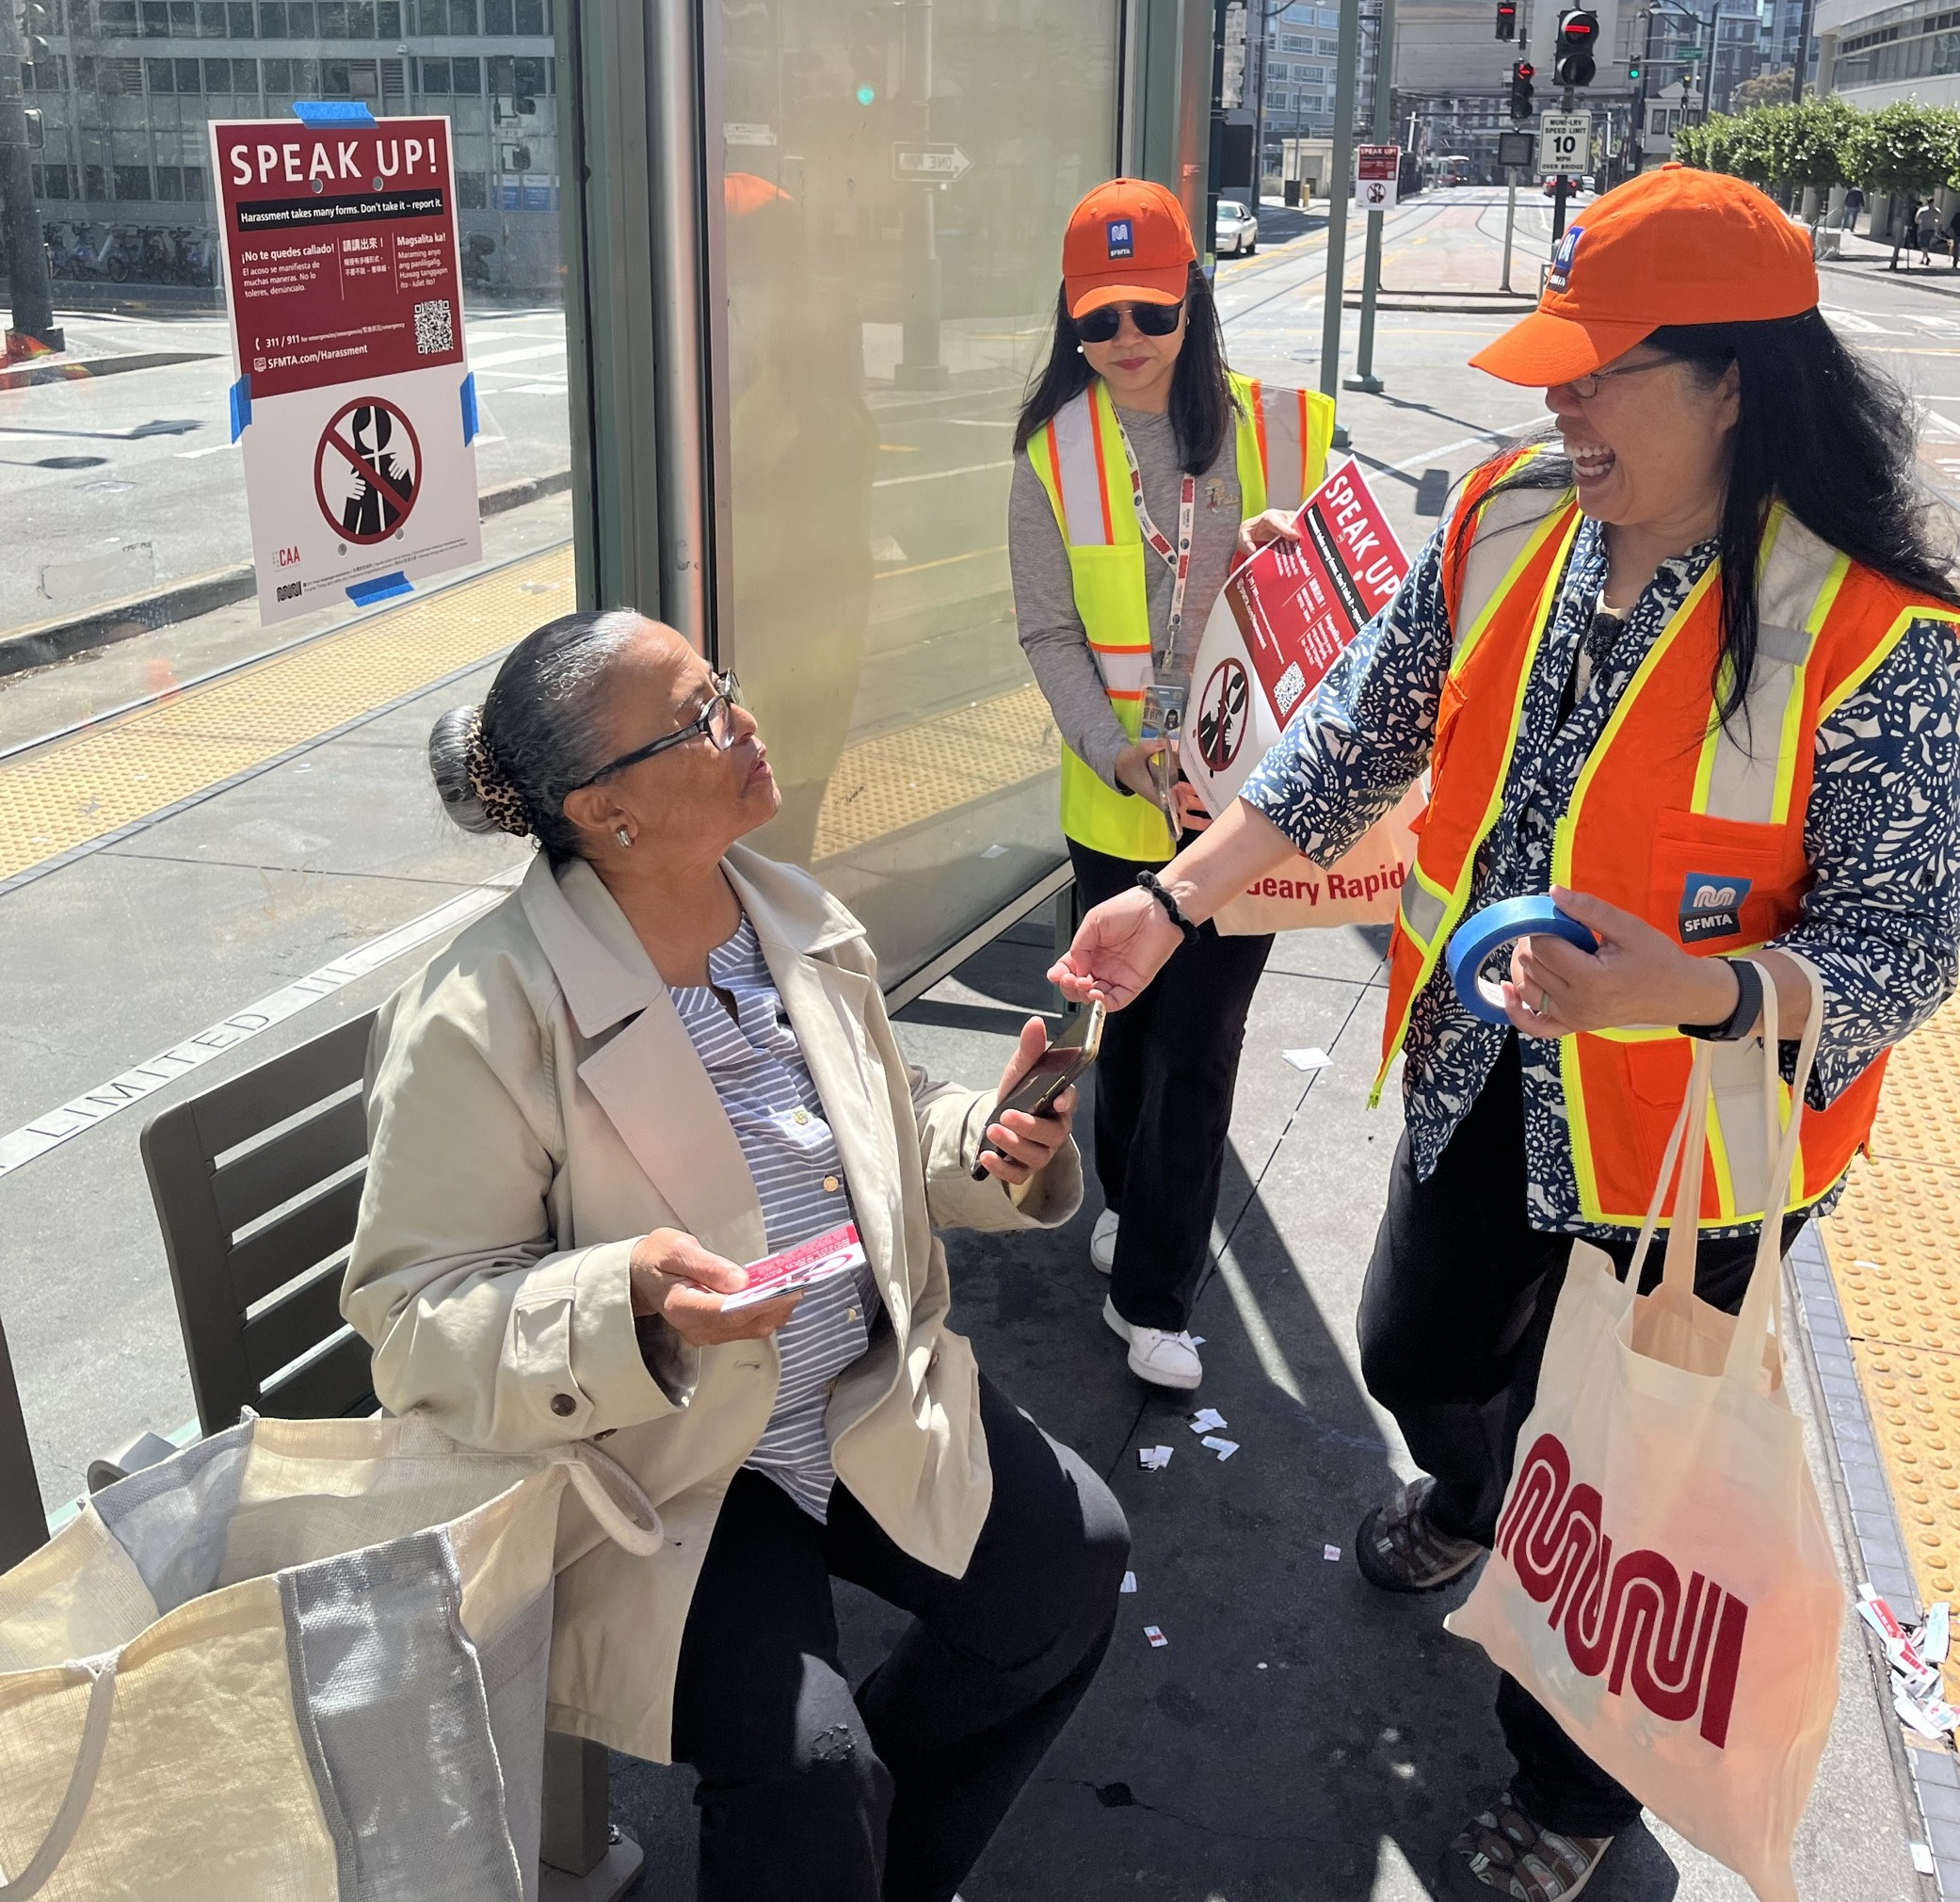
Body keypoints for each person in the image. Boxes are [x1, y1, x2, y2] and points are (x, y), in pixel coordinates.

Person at [1050, 164, 1960, 1897]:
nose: (1557, 400)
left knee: (1621, 1492)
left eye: (1600, 370)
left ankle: (1571, 1793)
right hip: (1483, 1068)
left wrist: (1682, 991)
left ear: (1733, 385)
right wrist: (1171, 904)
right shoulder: (1502, 519)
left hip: (1696, 1149)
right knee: (1414, 1348)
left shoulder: (1871, 632)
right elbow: (1345, 746)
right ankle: (1474, 1500)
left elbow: (1904, 949)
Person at [344, 612, 1130, 1902]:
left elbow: (886, 1116)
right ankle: (843, 1840)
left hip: (857, 1388)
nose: (744, 722)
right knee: (804, 1768)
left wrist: (986, 1144)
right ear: (606, 809)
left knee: (1069, 1566)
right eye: (701, 716)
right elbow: (413, 1316)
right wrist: (622, 1306)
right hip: (673, 1468)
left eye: (727, 688)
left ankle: (887, 1865)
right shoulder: (480, 1015)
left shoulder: (788, 913)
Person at [1011, 176, 1335, 1389]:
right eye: (1098, 322)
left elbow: (1356, 597)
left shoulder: (1290, 430)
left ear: (1194, 300)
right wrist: (1117, 751)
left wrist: (1282, 552)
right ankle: (1127, 1201)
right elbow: (1050, 635)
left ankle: (1156, 1294)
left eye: (1149, 311)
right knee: (1126, 1027)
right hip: (1117, 799)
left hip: (1252, 808)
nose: (1125, 343)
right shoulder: (1051, 455)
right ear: (1070, 322)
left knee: (1202, 1041)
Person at [1918, 197, 1941, 266]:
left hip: (1923, 229)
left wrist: (1921, 223)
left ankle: (1927, 258)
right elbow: (1940, 221)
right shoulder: (1936, 211)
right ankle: (1923, 259)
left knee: (1923, 245)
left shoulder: (1922, 210)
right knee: (1927, 245)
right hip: (1932, 229)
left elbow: (1916, 219)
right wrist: (1935, 223)